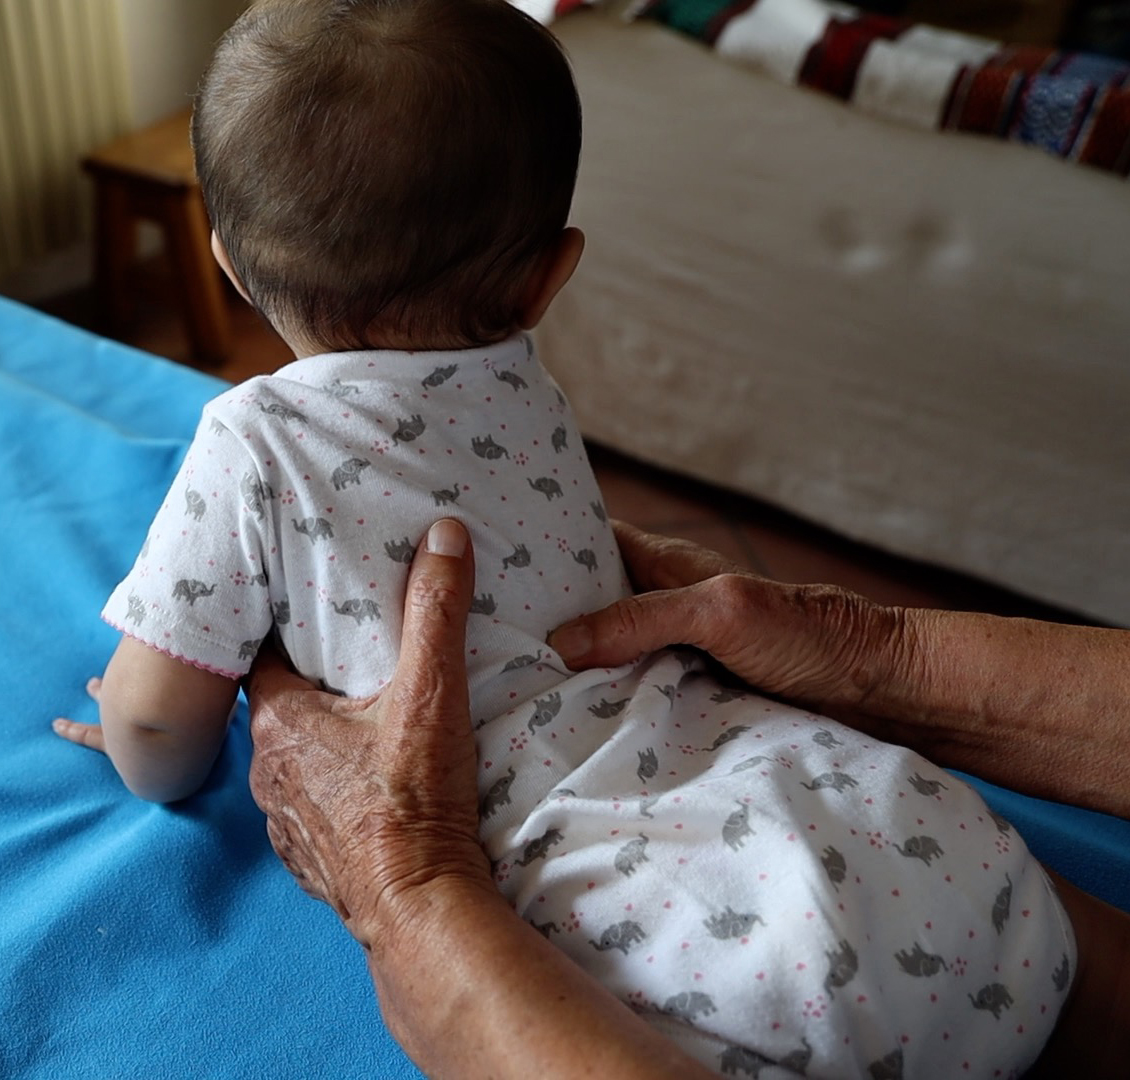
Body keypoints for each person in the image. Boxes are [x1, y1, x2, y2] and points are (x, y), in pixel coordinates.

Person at [50, 0, 1081, 1074]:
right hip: (926, 860)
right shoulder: (524, 385)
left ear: (222, 260)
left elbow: (165, 730)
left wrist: (137, 742)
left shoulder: (249, 442)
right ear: (550, 274)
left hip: (645, 907)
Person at [245, 519, 1129, 1079]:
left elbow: (156, 730)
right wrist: (868, 652)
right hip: (1008, 913)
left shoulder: (247, 445)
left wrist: (407, 883)